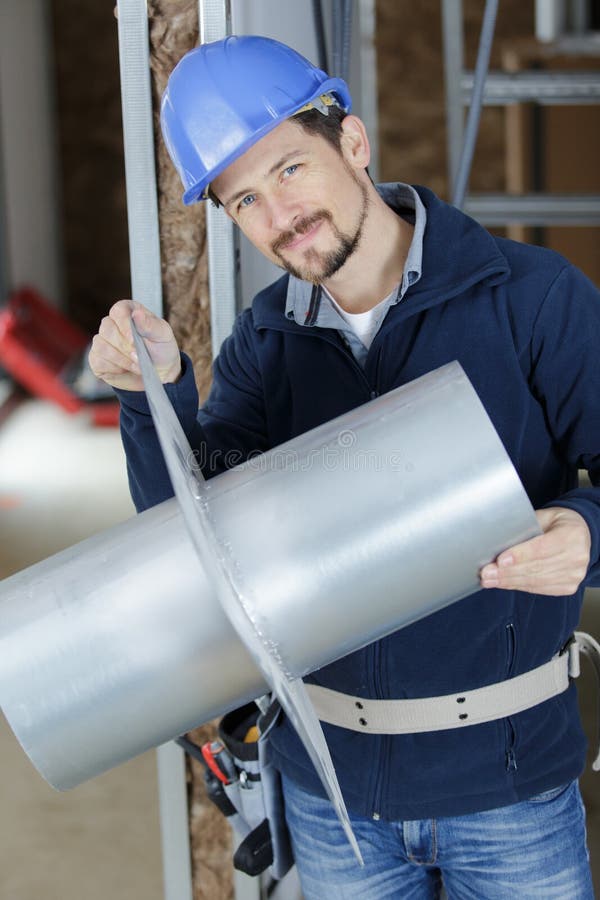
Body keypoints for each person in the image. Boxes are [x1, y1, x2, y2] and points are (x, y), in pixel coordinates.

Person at [89, 35, 600, 899]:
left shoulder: (534, 299)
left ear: (353, 143)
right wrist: (154, 399)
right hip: (333, 804)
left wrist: (587, 534)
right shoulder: (266, 342)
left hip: (508, 791)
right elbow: (195, 544)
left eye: (289, 169)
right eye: (244, 198)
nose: (278, 215)